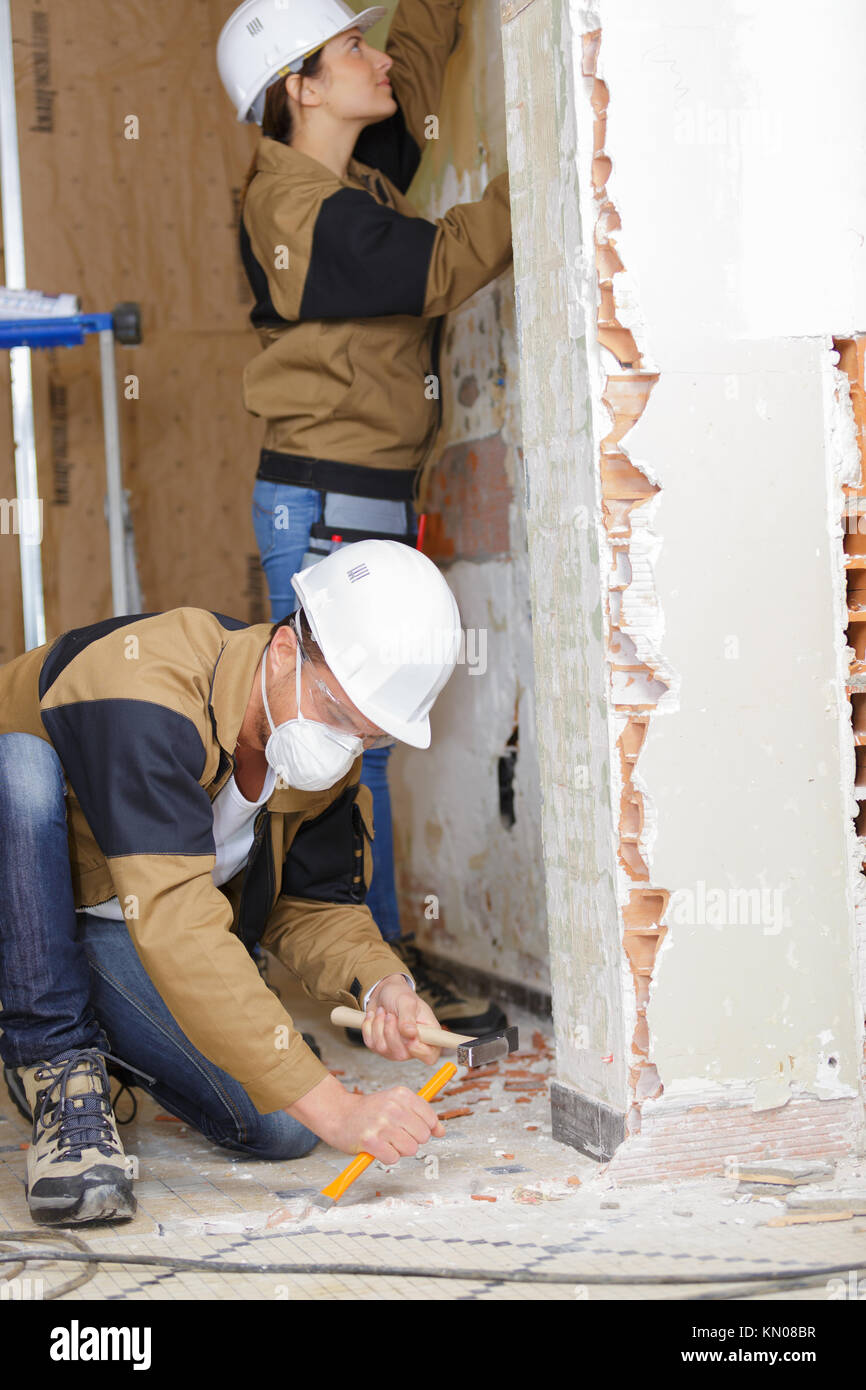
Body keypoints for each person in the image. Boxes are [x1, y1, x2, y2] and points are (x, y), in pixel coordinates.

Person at [0, 541, 460, 1226]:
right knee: (17, 766)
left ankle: (101, 1028)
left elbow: (315, 905)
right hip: (30, 897)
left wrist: (382, 985)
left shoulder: (317, 756)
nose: (343, 747)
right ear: (282, 652)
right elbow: (179, 923)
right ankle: (51, 1050)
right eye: (338, 716)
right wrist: (339, 1108)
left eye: (365, 736)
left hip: (117, 915)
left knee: (281, 1125)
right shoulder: (147, 688)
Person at [216, 0, 511, 1037]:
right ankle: (379, 983)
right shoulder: (297, 206)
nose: (371, 57)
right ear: (297, 85)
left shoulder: (351, 171)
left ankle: (373, 978)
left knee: (362, 747)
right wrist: (553, 182)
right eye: (349, 49)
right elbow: (433, 266)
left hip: (363, 492)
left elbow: (415, 72)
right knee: (348, 748)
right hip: (325, 498)